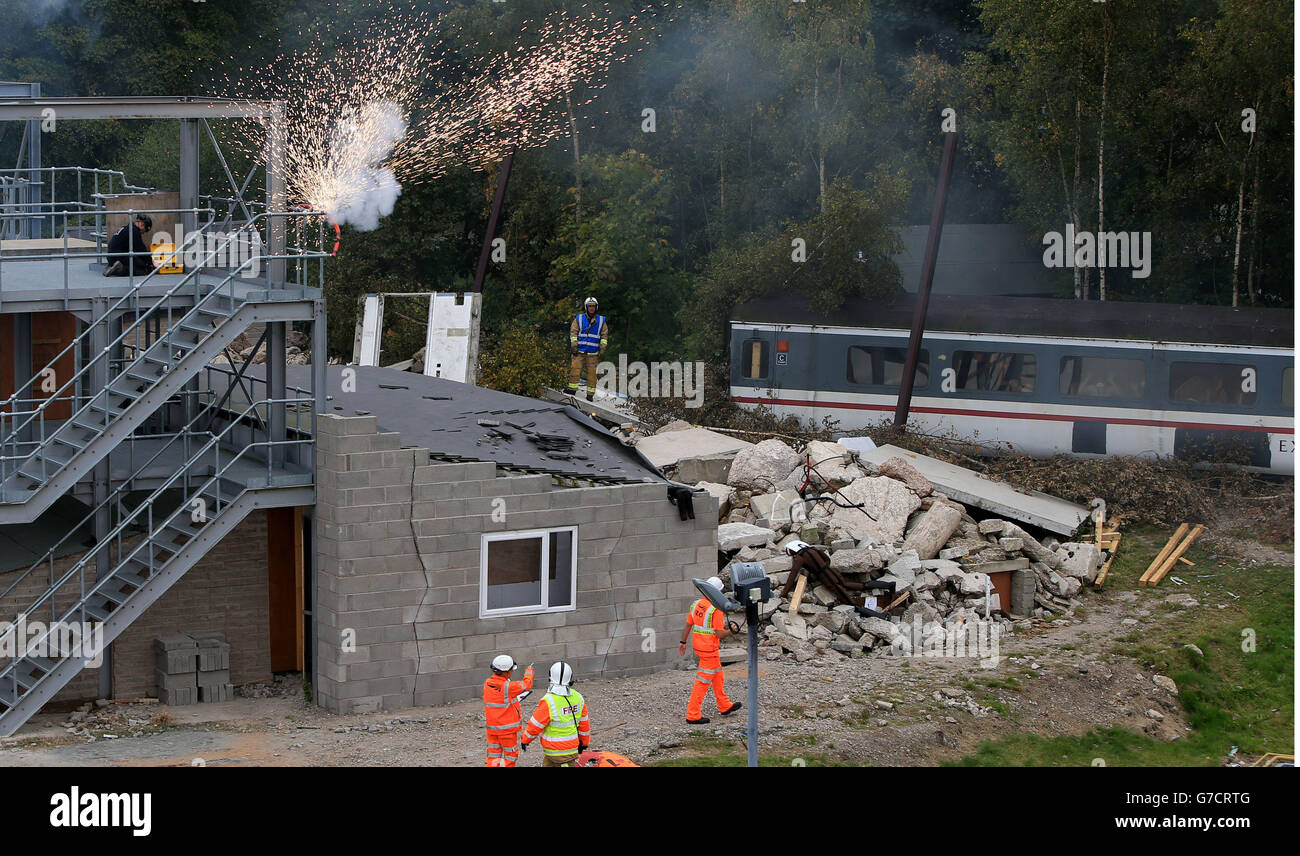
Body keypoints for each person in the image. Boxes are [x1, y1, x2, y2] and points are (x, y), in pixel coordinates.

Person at [678, 576, 741, 725]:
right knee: (702, 682)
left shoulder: (697, 604)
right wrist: (731, 631)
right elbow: (719, 634)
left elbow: (688, 625)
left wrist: (683, 642)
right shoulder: (716, 609)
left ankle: (724, 705)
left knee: (718, 674)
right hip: (709, 649)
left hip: (698, 646)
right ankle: (692, 714)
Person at [520, 662, 591, 767]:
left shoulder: (548, 701)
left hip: (553, 752)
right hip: (571, 751)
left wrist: (525, 740)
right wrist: (584, 743)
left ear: (550, 677)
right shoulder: (578, 697)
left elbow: (535, 725)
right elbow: (584, 725)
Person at [482, 655, 534, 767]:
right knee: (510, 756)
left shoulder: (487, 683)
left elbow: (500, 700)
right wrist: (529, 672)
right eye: (511, 670)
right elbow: (527, 684)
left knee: (493, 756)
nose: (512, 672)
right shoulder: (508, 687)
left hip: (492, 730)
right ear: (506, 672)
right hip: (507, 731)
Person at [567, 297, 608, 400]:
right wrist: (574, 345)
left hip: (593, 353)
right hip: (579, 351)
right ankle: (572, 389)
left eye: (593, 306)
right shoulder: (579, 319)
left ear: (596, 307)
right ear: (586, 307)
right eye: (589, 306)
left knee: (592, 374)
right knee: (575, 370)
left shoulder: (601, 321)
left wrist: (602, 348)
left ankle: (590, 395)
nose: (591, 308)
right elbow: (573, 332)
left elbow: (604, 336)